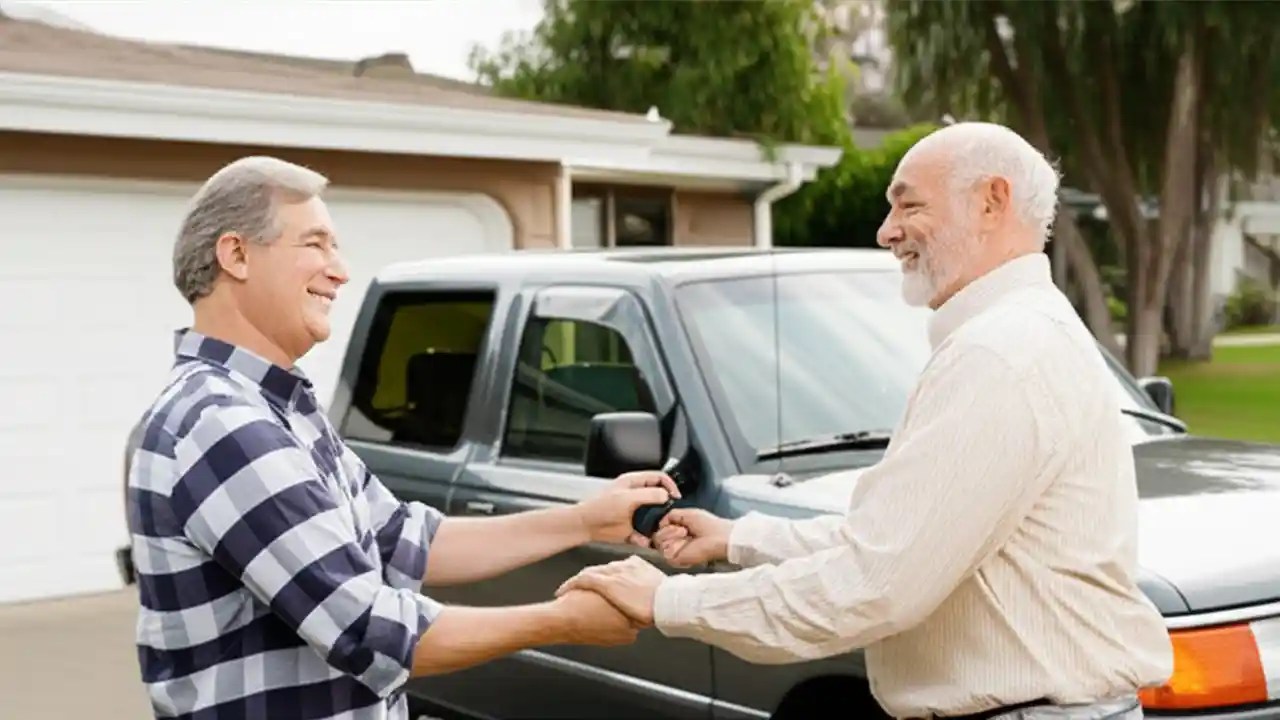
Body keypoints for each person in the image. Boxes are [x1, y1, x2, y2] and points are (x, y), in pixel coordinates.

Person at [556, 122, 1175, 720]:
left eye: (908, 206)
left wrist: (666, 600)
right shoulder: (1025, 333)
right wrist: (740, 539)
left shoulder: (998, 353)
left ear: (992, 202)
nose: (886, 232)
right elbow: (904, 538)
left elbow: (876, 583)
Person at [126, 155, 678, 720]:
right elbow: (368, 630)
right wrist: (564, 620)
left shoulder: (279, 410)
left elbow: (403, 539)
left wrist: (584, 520)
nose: (339, 270)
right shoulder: (220, 424)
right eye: (315, 244)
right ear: (236, 255)